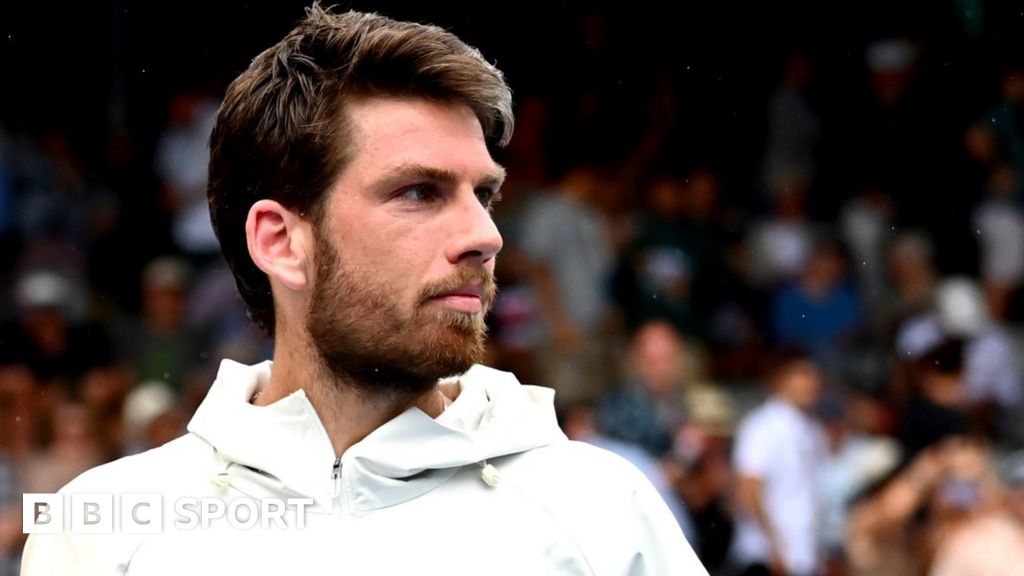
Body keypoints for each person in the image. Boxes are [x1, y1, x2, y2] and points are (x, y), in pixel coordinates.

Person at [21, 7, 707, 575]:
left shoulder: (603, 510)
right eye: (419, 192)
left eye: (485, 195)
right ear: (281, 241)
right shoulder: (105, 530)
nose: (485, 235)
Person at [732, 349, 827, 576]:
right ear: (779, 379)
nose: (810, 382)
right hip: (767, 558)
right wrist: (773, 547)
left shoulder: (812, 429)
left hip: (803, 557)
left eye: (812, 375)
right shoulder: (761, 426)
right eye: (801, 374)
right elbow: (748, 490)